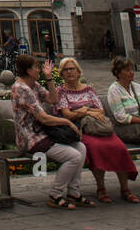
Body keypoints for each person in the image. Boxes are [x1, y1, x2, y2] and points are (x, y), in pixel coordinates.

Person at [10, 54, 91, 210]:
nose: (39, 69)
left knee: (81, 148)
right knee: (73, 156)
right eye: (36, 67)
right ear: (28, 70)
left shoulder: (33, 84)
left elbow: (53, 99)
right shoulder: (22, 88)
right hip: (30, 137)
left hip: (44, 133)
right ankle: (55, 194)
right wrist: (67, 122)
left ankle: (74, 191)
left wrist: (49, 78)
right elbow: (44, 118)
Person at [53, 57, 138, 203]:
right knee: (95, 147)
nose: (70, 72)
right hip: (81, 130)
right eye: (66, 70)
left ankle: (125, 188)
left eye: (72, 69)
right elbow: (67, 115)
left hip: (100, 127)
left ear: (79, 72)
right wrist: (87, 111)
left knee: (118, 147)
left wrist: (83, 111)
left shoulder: (88, 89)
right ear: (62, 73)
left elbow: (100, 110)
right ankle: (101, 188)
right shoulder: (61, 91)